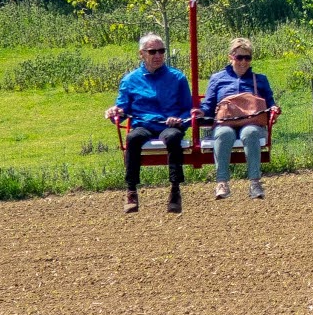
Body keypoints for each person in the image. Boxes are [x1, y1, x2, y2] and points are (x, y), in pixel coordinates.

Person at [105, 33, 194, 214]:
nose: (157, 55)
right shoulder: (130, 80)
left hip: (168, 126)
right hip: (143, 125)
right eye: (152, 51)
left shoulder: (177, 78)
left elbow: (188, 111)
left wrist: (179, 121)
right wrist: (115, 111)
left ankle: (175, 190)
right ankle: (131, 191)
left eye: (161, 51)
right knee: (133, 137)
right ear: (142, 54)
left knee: (173, 137)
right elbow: (122, 109)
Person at [201, 37, 278, 200]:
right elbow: (208, 105)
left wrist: (273, 108)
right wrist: (199, 114)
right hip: (226, 122)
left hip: (252, 122)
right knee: (224, 134)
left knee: (249, 133)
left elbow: (270, 102)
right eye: (239, 57)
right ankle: (222, 182)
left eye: (247, 58)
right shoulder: (218, 79)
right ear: (231, 57)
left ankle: (255, 183)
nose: (243, 62)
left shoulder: (260, 80)